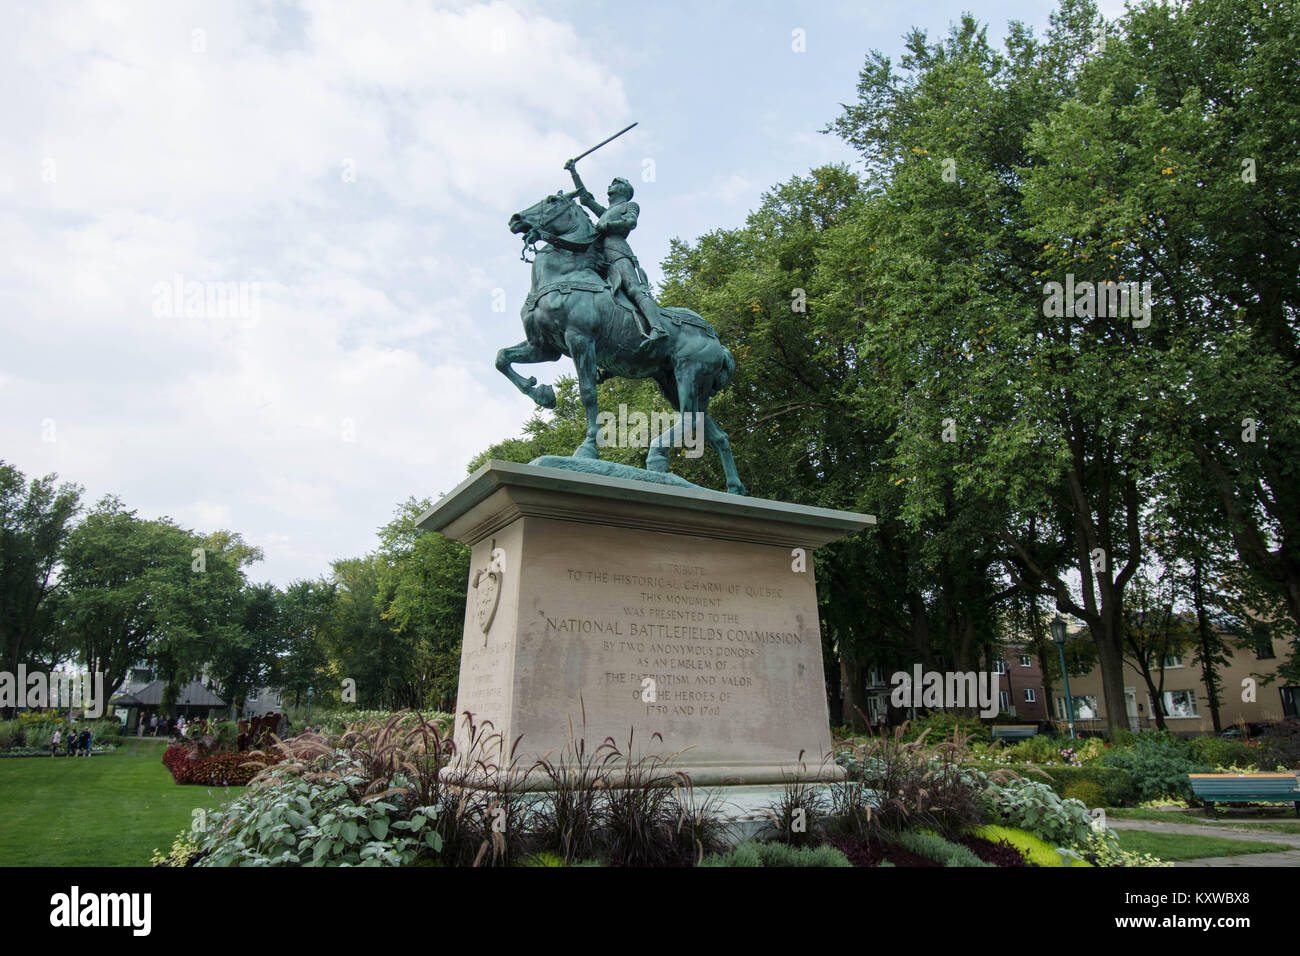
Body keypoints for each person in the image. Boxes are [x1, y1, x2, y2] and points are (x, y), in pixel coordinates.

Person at [564, 161, 669, 347]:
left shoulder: (629, 205)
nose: (609, 186)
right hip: (599, 257)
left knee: (633, 289)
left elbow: (630, 223)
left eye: (614, 183)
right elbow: (586, 199)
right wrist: (574, 172)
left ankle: (657, 328)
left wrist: (608, 226)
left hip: (618, 252)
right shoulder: (605, 211)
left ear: (624, 188)